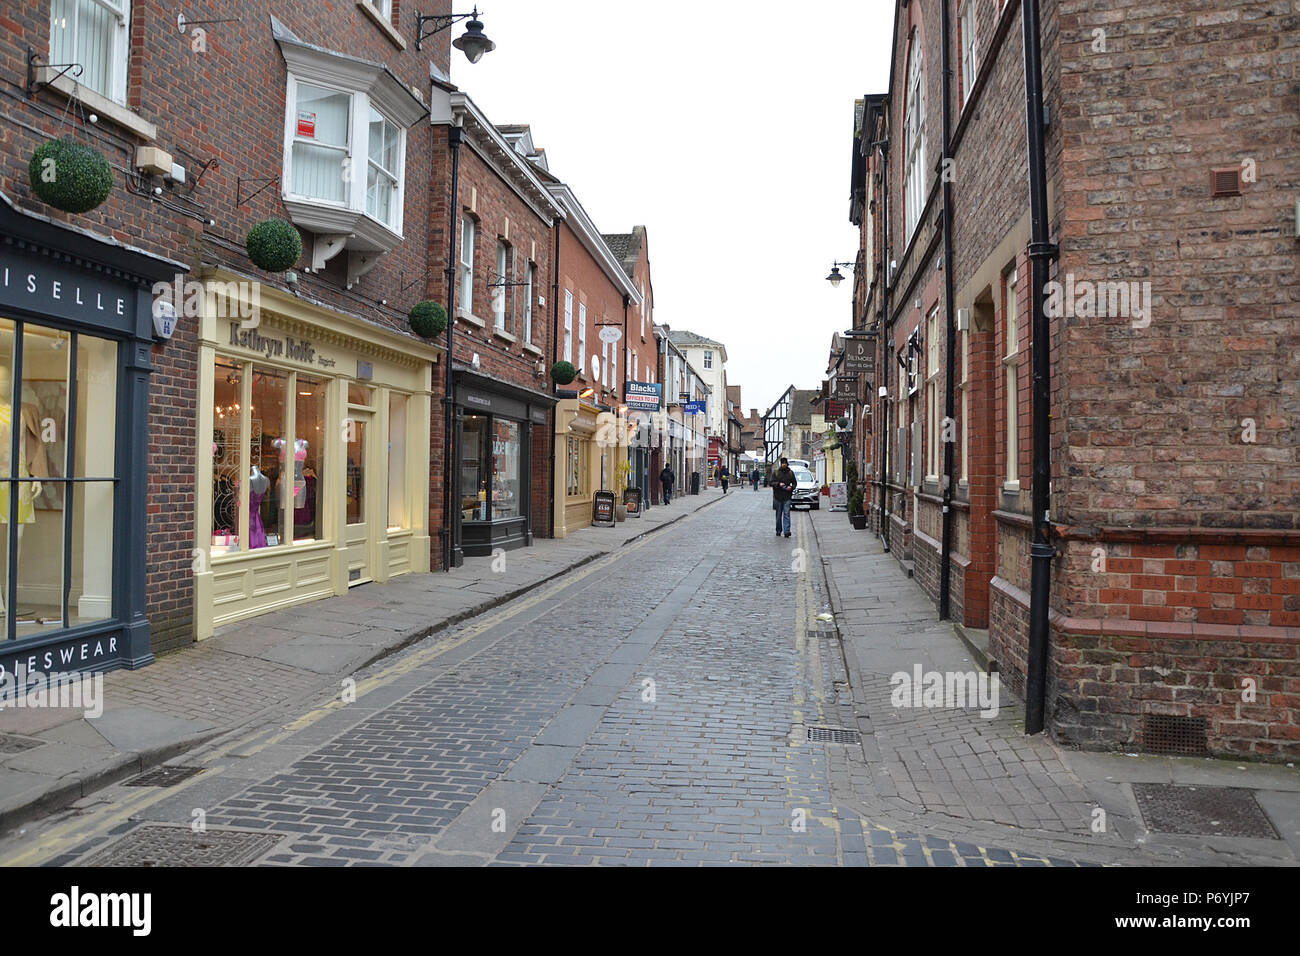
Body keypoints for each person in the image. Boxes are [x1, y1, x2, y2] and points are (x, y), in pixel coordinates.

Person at [772, 457, 796, 537]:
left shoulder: (790, 473)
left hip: (787, 496)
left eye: (785, 463)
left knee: (786, 514)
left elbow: (794, 483)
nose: (784, 464)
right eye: (783, 463)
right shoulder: (776, 473)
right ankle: (778, 530)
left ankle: (787, 531)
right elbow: (771, 483)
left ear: (787, 464)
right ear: (781, 464)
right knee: (778, 515)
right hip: (778, 497)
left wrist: (791, 487)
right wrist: (778, 484)